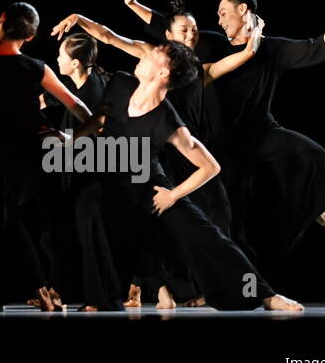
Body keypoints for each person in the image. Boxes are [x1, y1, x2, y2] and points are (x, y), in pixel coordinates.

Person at [125, 0, 325, 262]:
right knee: (230, 213)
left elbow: (315, 46)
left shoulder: (273, 49)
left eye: (223, 13)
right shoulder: (214, 44)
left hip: (261, 132)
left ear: (242, 10)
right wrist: (132, 3)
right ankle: (229, 278)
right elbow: (169, 27)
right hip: (221, 142)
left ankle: (308, 207)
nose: (218, 20)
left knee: (313, 155)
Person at [68, 41, 302, 312]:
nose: (144, 56)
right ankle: (102, 300)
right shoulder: (121, 83)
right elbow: (100, 118)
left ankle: (264, 294)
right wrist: (72, 140)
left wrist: (173, 195)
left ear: (163, 73)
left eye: (153, 55)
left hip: (150, 188)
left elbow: (210, 167)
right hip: (110, 181)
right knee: (88, 209)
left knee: (208, 238)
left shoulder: (167, 120)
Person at [0, 2, 95, 309]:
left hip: (3, 153)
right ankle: (56, 287)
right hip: (41, 150)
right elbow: (73, 103)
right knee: (56, 221)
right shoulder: (35, 67)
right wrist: (91, 129)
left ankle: (21, 288)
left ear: (2, 20)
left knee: (5, 222)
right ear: (30, 36)